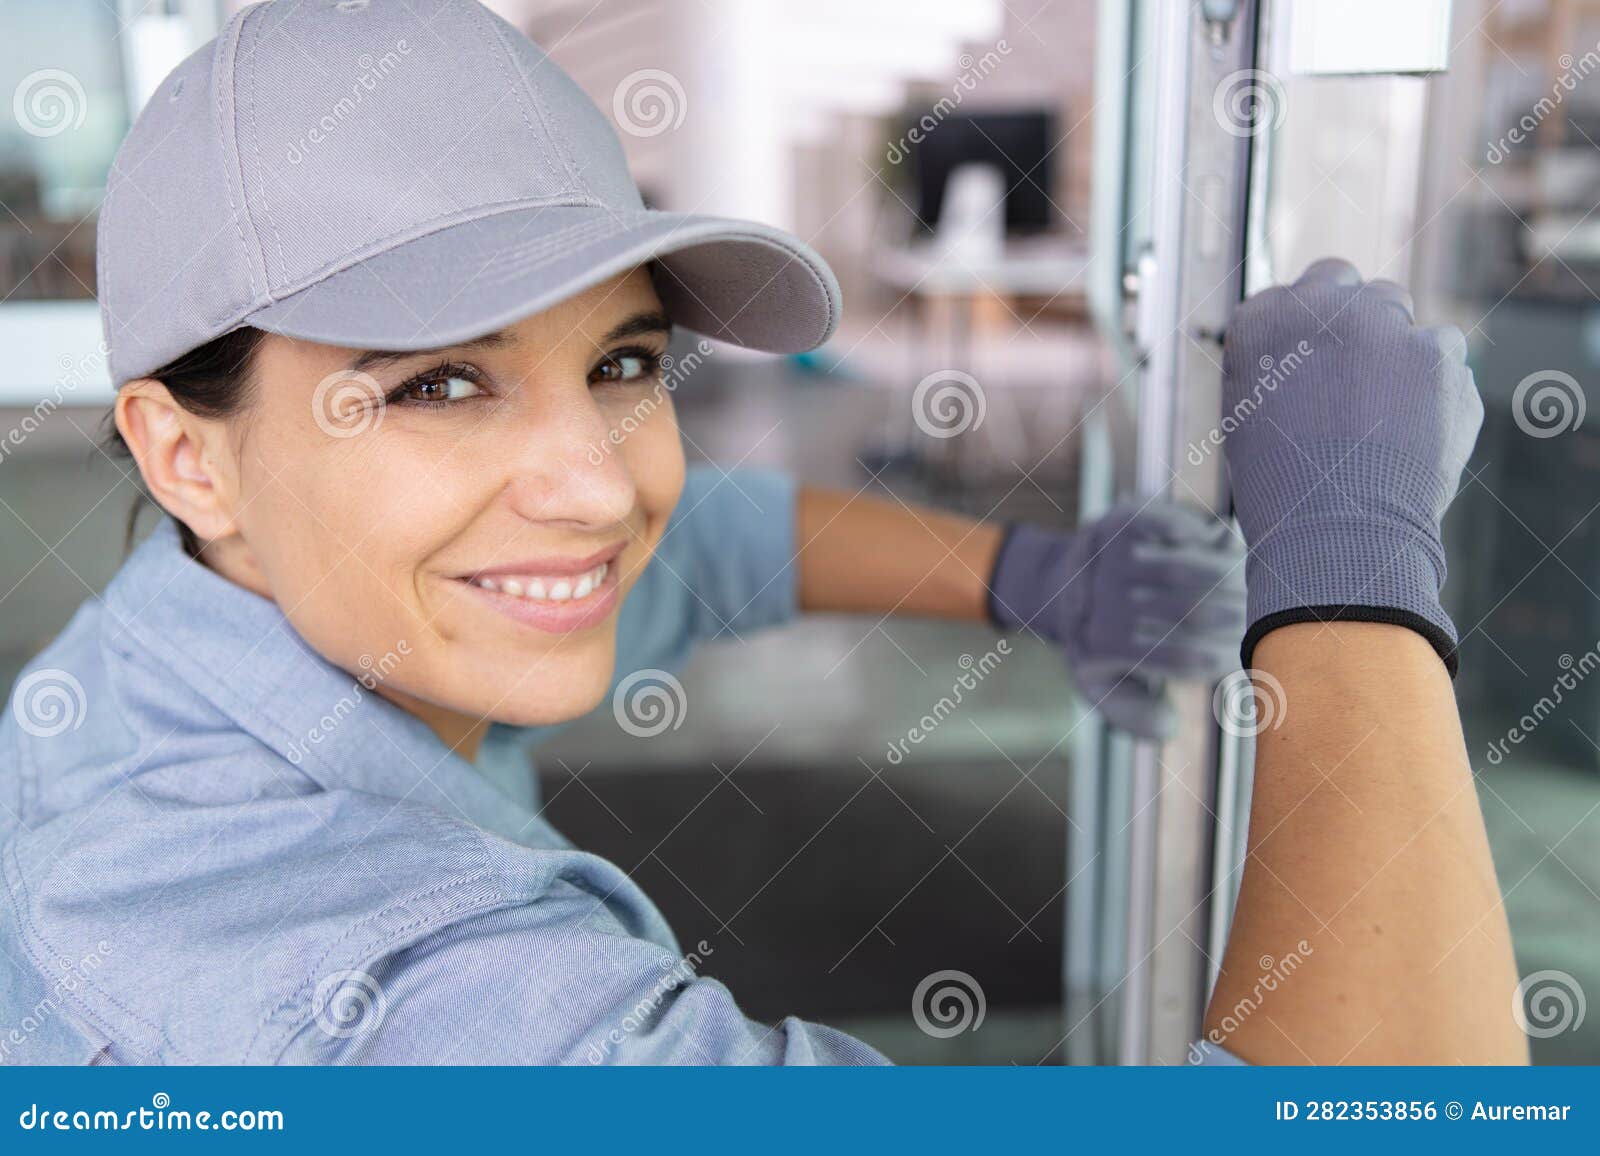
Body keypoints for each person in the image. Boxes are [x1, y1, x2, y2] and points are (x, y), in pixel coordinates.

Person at [0, 0, 1520, 1065]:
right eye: (440, 384)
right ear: (185, 452)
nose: (599, 488)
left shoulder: (190, 640)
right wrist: (1355, 576)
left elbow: (712, 543)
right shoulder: (395, 1004)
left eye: (621, 365)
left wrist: (1032, 575)